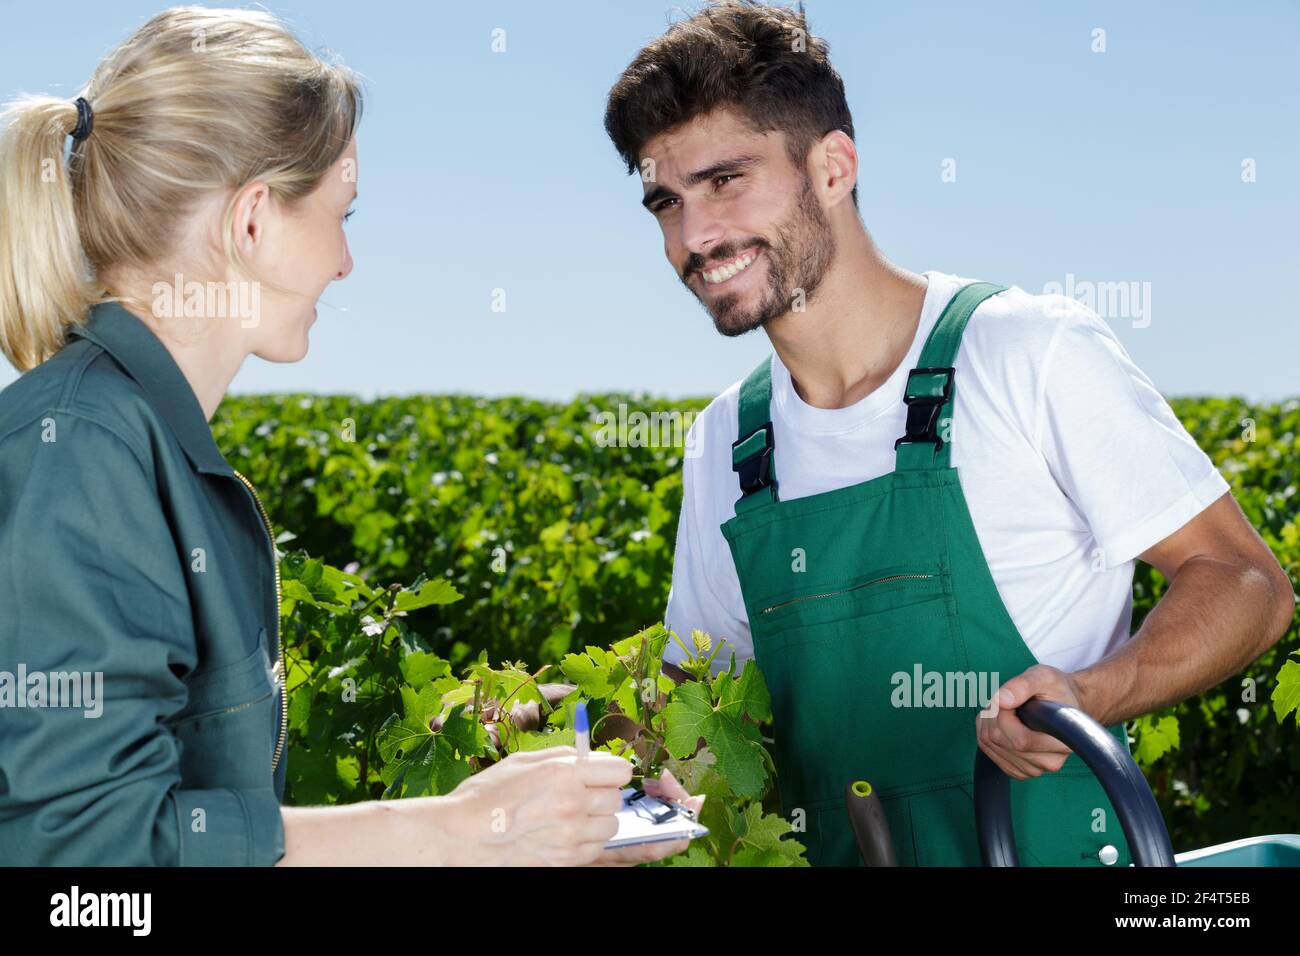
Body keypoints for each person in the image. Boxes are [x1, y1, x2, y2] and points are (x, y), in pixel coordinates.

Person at [0, 6, 699, 867]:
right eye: (344, 213)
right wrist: (457, 834)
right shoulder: (84, 454)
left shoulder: (137, 443)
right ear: (252, 222)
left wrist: (513, 809)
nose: (345, 261)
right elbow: (87, 870)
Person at [603, 0, 1293, 865]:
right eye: (665, 201)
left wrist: (1089, 694)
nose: (695, 236)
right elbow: (692, 721)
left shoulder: (1025, 351)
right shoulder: (729, 447)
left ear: (833, 167)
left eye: (726, 181)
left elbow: (1244, 580)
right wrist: (558, 737)